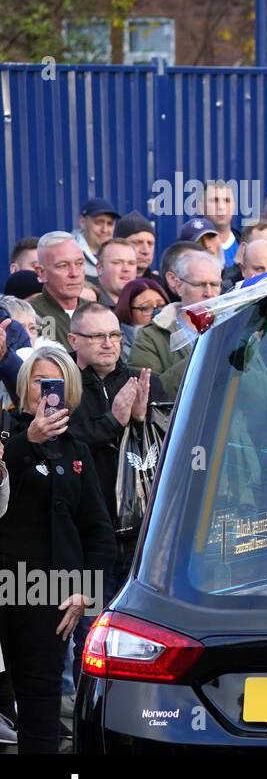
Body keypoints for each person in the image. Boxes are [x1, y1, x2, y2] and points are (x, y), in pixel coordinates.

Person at [0, 345, 115, 753]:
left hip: (47, 591)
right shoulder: (5, 431)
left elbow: (99, 531)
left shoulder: (77, 451)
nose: (46, 391)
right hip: (5, 580)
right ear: (24, 385)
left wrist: (86, 591)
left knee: (42, 706)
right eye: (38, 381)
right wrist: (25, 442)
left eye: (56, 384)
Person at [67, 303, 164, 599]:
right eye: (97, 336)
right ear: (73, 340)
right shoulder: (62, 384)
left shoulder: (144, 381)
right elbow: (63, 444)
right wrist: (113, 421)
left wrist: (139, 420)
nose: (108, 344)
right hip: (86, 531)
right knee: (88, 626)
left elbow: (163, 443)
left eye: (114, 335)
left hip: (142, 531)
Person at [128, 250, 222, 399]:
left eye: (215, 284)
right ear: (178, 286)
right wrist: (203, 354)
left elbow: (266, 395)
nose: (209, 293)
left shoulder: (234, 329)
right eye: (200, 284)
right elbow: (146, 395)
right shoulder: (151, 337)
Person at [30, 231, 92, 353]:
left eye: (79, 263)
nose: (74, 273)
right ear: (41, 273)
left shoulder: (97, 312)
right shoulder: (30, 316)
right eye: (63, 266)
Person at [113, 277, 169, 361]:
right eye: (145, 308)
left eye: (161, 306)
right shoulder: (116, 346)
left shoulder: (178, 335)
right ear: (127, 310)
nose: (156, 314)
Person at [112, 211, 161, 285]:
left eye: (150, 243)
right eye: (137, 243)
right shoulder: (106, 284)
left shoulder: (161, 286)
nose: (146, 251)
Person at [73, 198, 120, 272]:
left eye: (110, 224)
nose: (105, 230)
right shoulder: (69, 254)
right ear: (82, 222)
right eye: (98, 222)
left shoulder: (121, 254)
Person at [88, 239, 138, 309]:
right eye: (117, 262)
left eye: (131, 263)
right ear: (99, 268)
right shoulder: (86, 302)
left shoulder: (143, 303)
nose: (126, 269)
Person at [201, 181, 241, 266]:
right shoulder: (189, 248)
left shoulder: (246, 245)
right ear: (201, 207)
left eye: (227, 200)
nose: (221, 207)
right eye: (215, 200)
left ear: (234, 206)